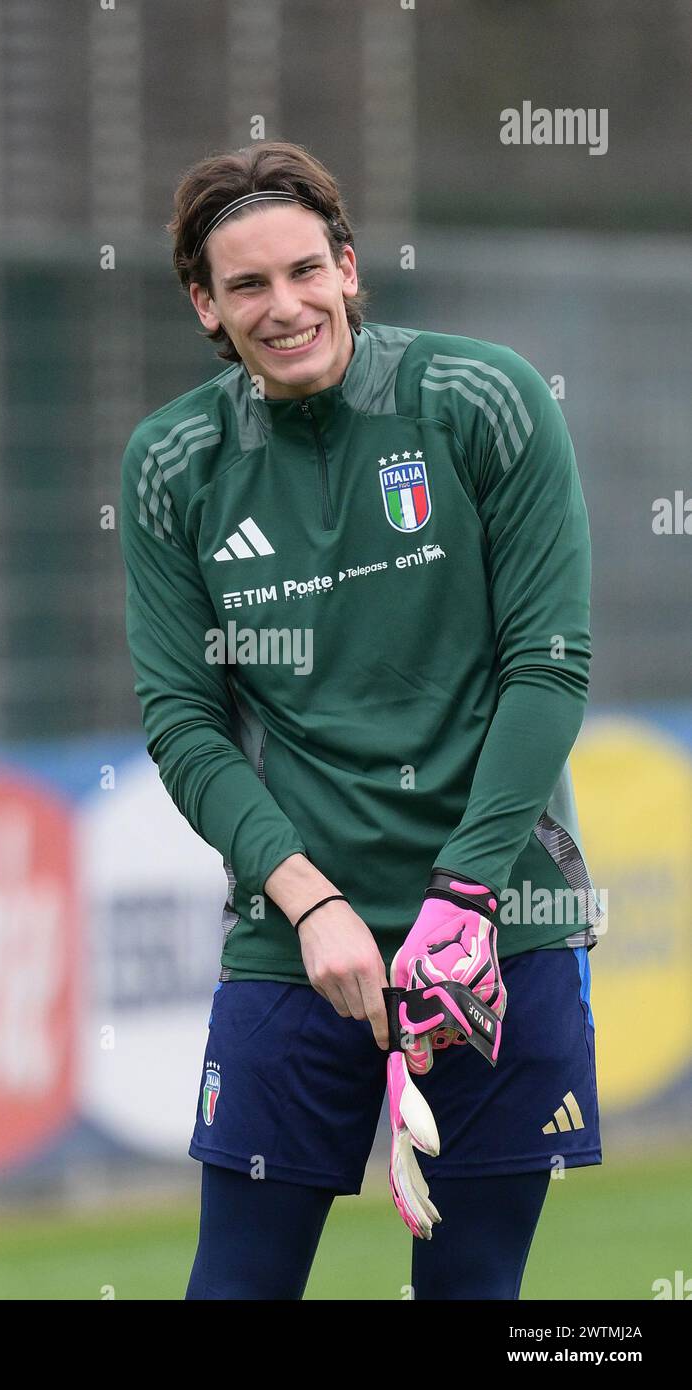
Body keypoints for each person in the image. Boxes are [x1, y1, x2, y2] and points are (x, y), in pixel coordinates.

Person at [119, 140, 602, 1300]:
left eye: (302, 271)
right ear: (205, 304)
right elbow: (185, 722)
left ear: (346, 267)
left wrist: (465, 897)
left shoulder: (483, 398)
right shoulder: (171, 466)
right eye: (245, 285)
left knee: (470, 1289)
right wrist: (312, 899)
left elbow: (546, 665)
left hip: (500, 932)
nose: (282, 307)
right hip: (295, 947)